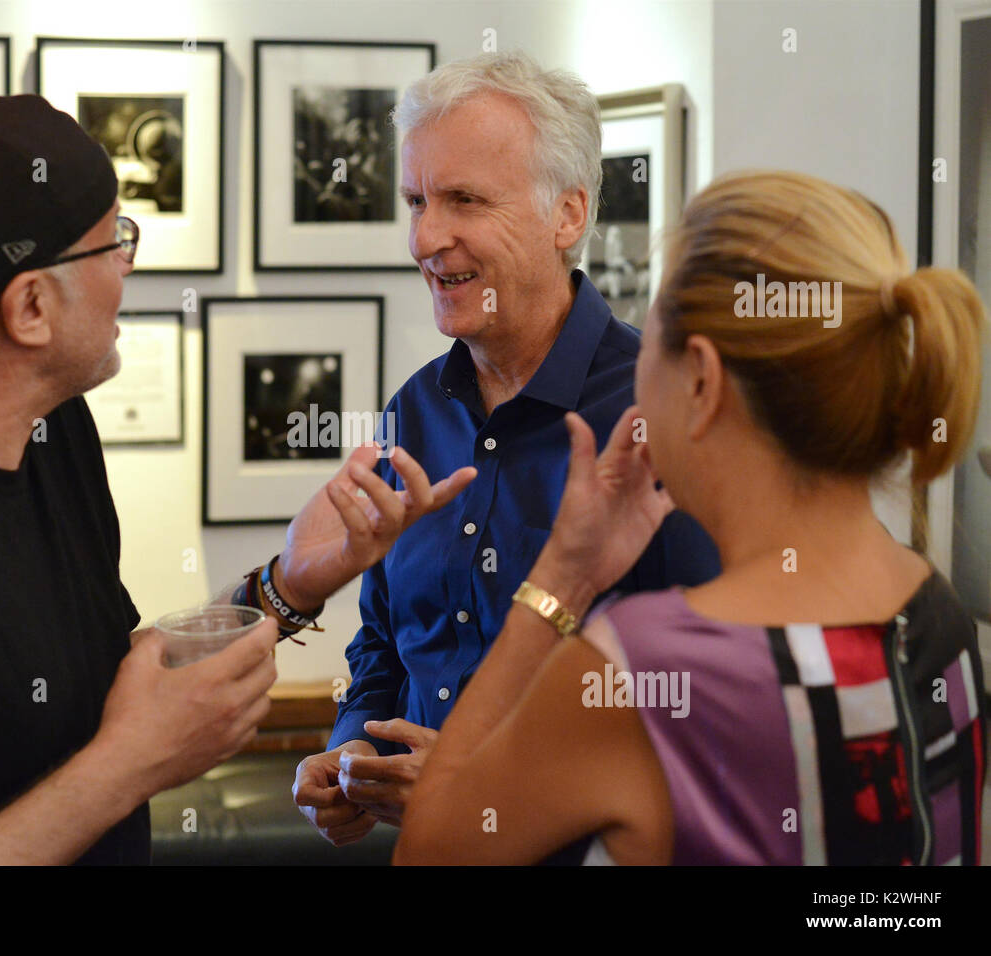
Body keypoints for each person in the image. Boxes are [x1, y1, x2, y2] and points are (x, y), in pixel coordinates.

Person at [0, 94, 473, 866]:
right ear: (32, 306)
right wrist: (130, 767)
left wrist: (292, 583)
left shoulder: (49, 431)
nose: (128, 264)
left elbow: (95, 689)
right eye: (114, 240)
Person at [395, 169, 988, 865]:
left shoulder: (642, 667)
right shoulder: (934, 607)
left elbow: (429, 851)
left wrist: (563, 575)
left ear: (700, 380)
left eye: (653, 343)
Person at [292, 51, 720, 853]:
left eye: (464, 201)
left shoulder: (663, 415)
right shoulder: (412, 412)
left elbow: (708, 699)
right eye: (416, 200)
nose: (425, 237)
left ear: (568, 215)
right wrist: (352, 744)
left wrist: (495, 785)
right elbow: (384, 639)